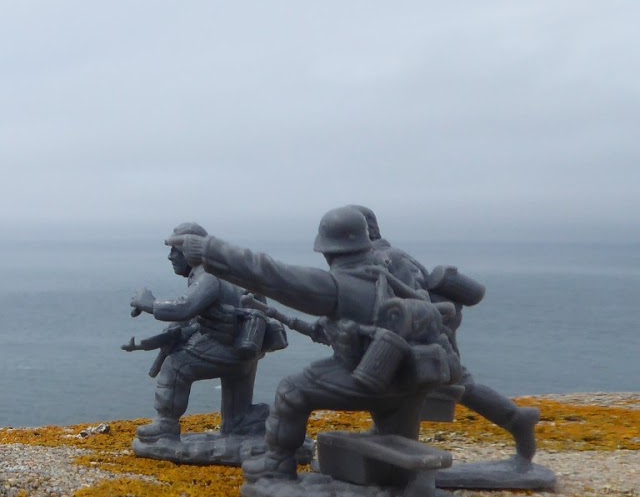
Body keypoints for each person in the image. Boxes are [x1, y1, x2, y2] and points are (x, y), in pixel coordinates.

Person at [164, 206, 461, 481]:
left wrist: (209, 250)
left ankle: (277, 463)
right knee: (396, 459)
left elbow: (271, 274)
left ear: (329, 250)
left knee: (292, 391)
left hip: (373, 379)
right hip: (406, 381)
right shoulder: (387, 280)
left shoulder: (338, 286)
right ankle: (401, 487)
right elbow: (321, 330)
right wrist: (273, 313)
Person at [347, 205, 539, 463]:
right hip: (418, 335)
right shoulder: (379, 258)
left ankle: (516, 420)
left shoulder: (389, 259)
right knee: (430, 384)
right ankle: (387, 434)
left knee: (446, 384)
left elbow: (418, 302)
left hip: (420, 336)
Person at [123, 222, 282, 443]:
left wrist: (149, 303)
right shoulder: (226, 273)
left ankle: (165, 425)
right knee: (237, 418)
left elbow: (184, 307)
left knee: (176, 366)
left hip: (227, 345)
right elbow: (192, 318)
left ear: (190, 252)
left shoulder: (208, 276)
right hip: (246, 347)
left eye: (175, 251)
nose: (170, 257)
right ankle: (267, 422)